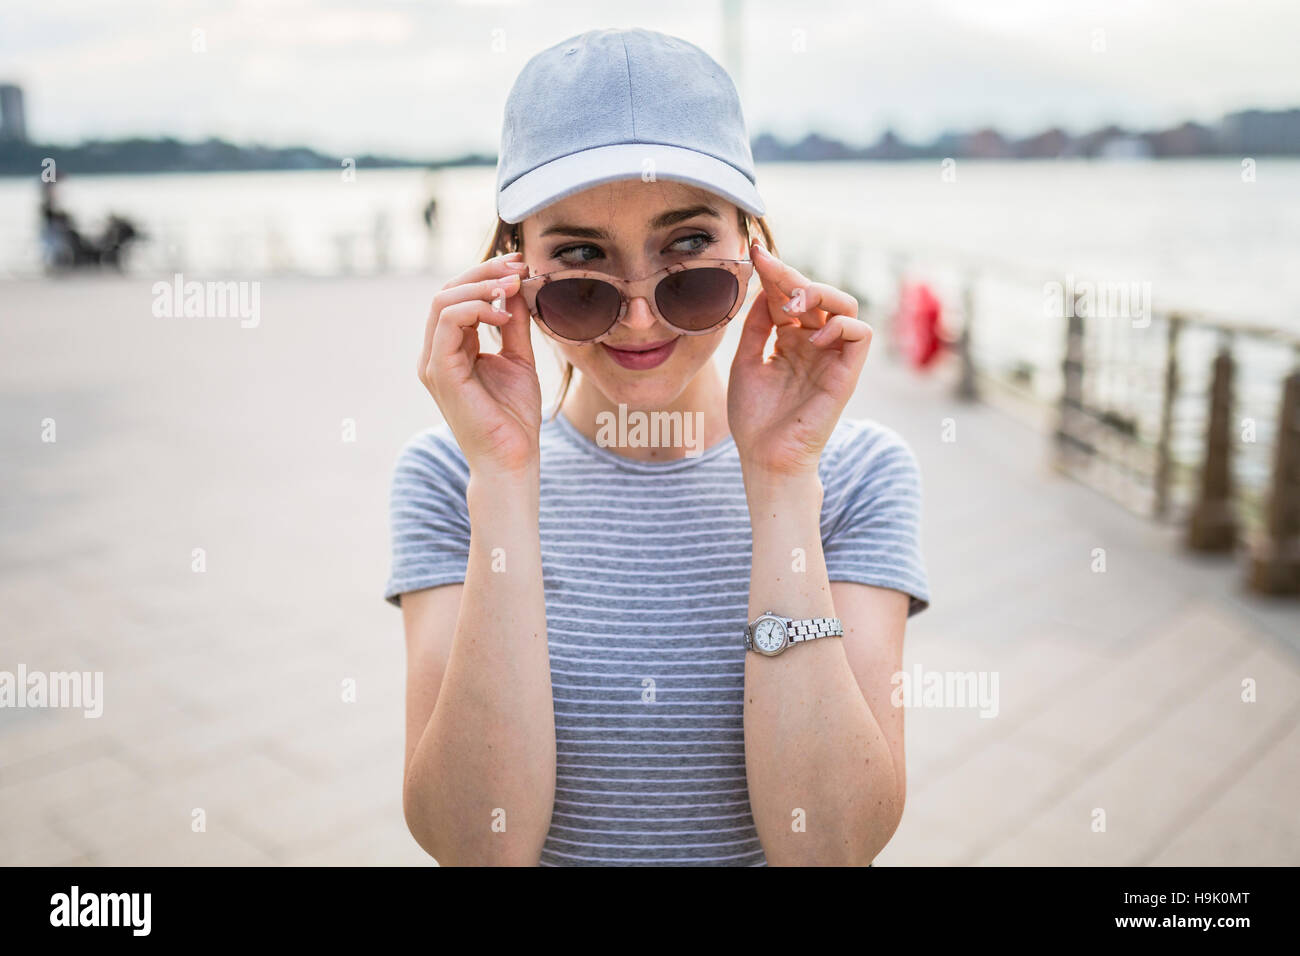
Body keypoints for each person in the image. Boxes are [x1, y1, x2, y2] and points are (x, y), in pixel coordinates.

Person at [385, 27, 931, 866]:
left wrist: (783, 482)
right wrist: (502, 475)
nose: (640, 317)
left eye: (686, 251)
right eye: (578, 261)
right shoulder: (446, 476)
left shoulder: (856, 476)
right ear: (511, 273)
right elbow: (473, 845)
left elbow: (830, 845)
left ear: (754, 250)